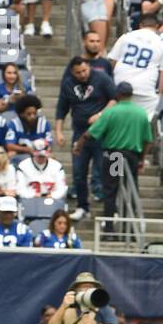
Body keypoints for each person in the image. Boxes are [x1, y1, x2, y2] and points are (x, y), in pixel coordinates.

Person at [81, 81, 155, 224]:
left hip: (115, 156)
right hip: (132, 156)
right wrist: (141, 159)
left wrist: (79, 144)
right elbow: (148, 140)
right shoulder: (141, 113)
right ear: (132, 95)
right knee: (130, 189)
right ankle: (129, 226)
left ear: (118, 95)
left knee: (111, 190)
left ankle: (109, 226)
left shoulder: (111, 111)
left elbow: (92, 133)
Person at [55, 55, 117, 220]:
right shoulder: (68, 83)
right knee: (78, 172)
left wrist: (101, 114)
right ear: (72, 72)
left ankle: (109, 209)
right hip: (79, 132)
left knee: (103, 171)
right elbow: (62, 108)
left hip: (101, 133)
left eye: (84, 71)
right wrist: (59, 131)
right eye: (78, 72)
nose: (82, 75)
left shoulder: (101, 78)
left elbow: (115, 98)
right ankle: (82, 206)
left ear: (89, 67)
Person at [107, 14, 163, 121]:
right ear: (157, 26)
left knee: (118, 118)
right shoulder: (161, 43)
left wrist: (110, 82)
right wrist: (160, 94)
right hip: (144, 89)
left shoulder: (126, 36)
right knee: (142, 121)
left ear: (140, 25)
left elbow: (113, 61)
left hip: (120, 84)